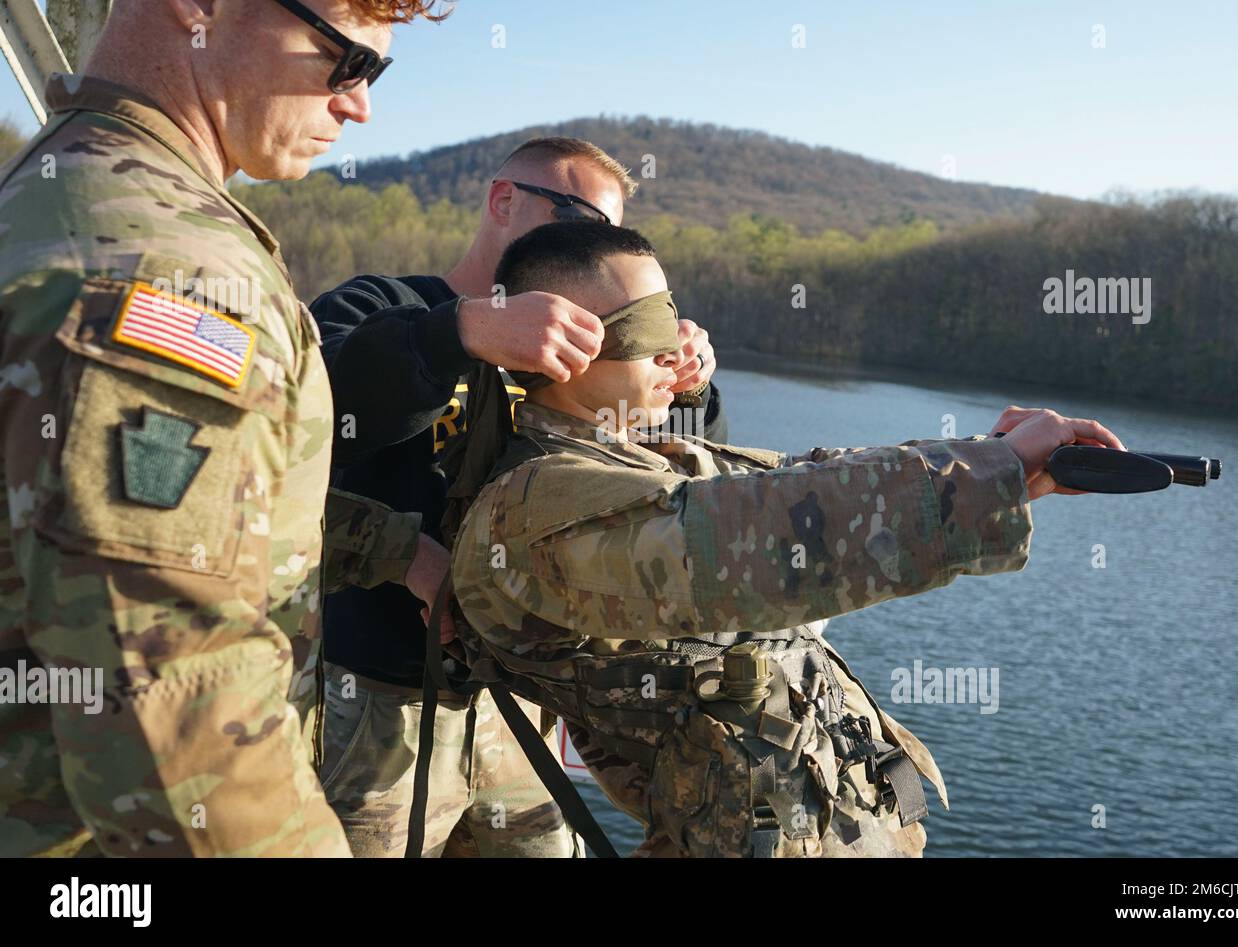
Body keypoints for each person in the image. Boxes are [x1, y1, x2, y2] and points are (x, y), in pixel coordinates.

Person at [444, 220, 1127, 857]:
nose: (672, 345)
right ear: (557, 340)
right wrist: (987, 477)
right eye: (646, 324)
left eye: (673, 316)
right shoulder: (531, 511)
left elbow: (803, 477)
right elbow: (762, 534)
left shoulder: (637, 460)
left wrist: (992, 454)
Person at [0, 0, 454, 857]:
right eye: (348, 60)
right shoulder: (165, 268)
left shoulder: (58, 189)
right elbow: (175, 713)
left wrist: (394, 549)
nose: (360, 104)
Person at [310, 137, 727, 856]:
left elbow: (670, 471)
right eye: (581, 220)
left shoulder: (586, 352)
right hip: (379, 707)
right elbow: (305, 420)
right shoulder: (387, 305)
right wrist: (462, 331)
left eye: (606, 236)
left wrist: (688, 383)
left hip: (524, 710)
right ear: (504, 201)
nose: (589, 249)